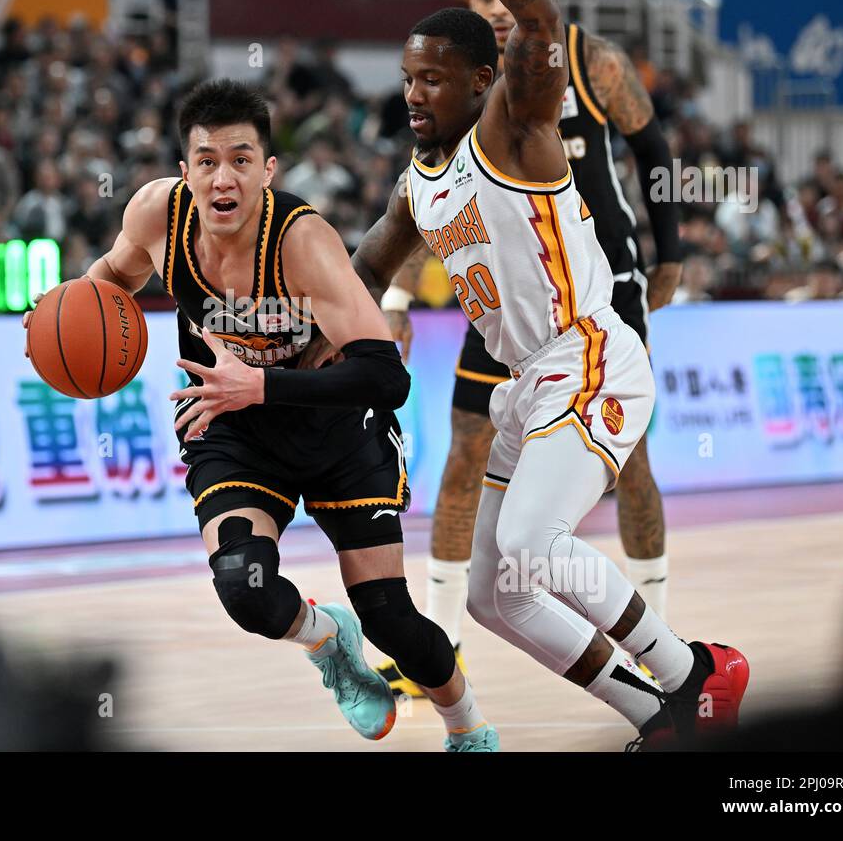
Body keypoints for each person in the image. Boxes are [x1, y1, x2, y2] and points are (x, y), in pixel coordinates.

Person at [340, 0, 747, 749]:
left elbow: (536, 7)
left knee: (532, 541)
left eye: (432, 79)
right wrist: (279, 345)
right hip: (527, 384)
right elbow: (361, 270)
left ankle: (694, 676)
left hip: (591, 351)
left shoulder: (513, 124)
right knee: (496, 594)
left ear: (482, 80)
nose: (413, 95)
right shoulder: (419, 182)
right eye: (407, 79)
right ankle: (654, 718)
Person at [25, 79, 498, 751]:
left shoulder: (302, 242)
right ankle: (328, 640)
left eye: (242, 160)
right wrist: (56, 317)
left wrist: (264, 384)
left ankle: (468, 727)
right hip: (234, 430)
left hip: (338, 431)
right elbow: (108, 283)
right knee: (244, 589)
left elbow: (386, 376)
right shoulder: (156, 218)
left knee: (392, 618)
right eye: (208, 160)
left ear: (268, 171)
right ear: (184, 171)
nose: (225, 177)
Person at [373, 0, 683, 696]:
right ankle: (443, 639)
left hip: (591, 297)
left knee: (619, 477)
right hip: (509, 327)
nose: (496, 5)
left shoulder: (580, 64)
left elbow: (655, 150)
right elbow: (392, 244)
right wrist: (385, 303)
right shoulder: (442, 141)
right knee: (465, 466)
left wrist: (669, 253)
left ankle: (666, 645)